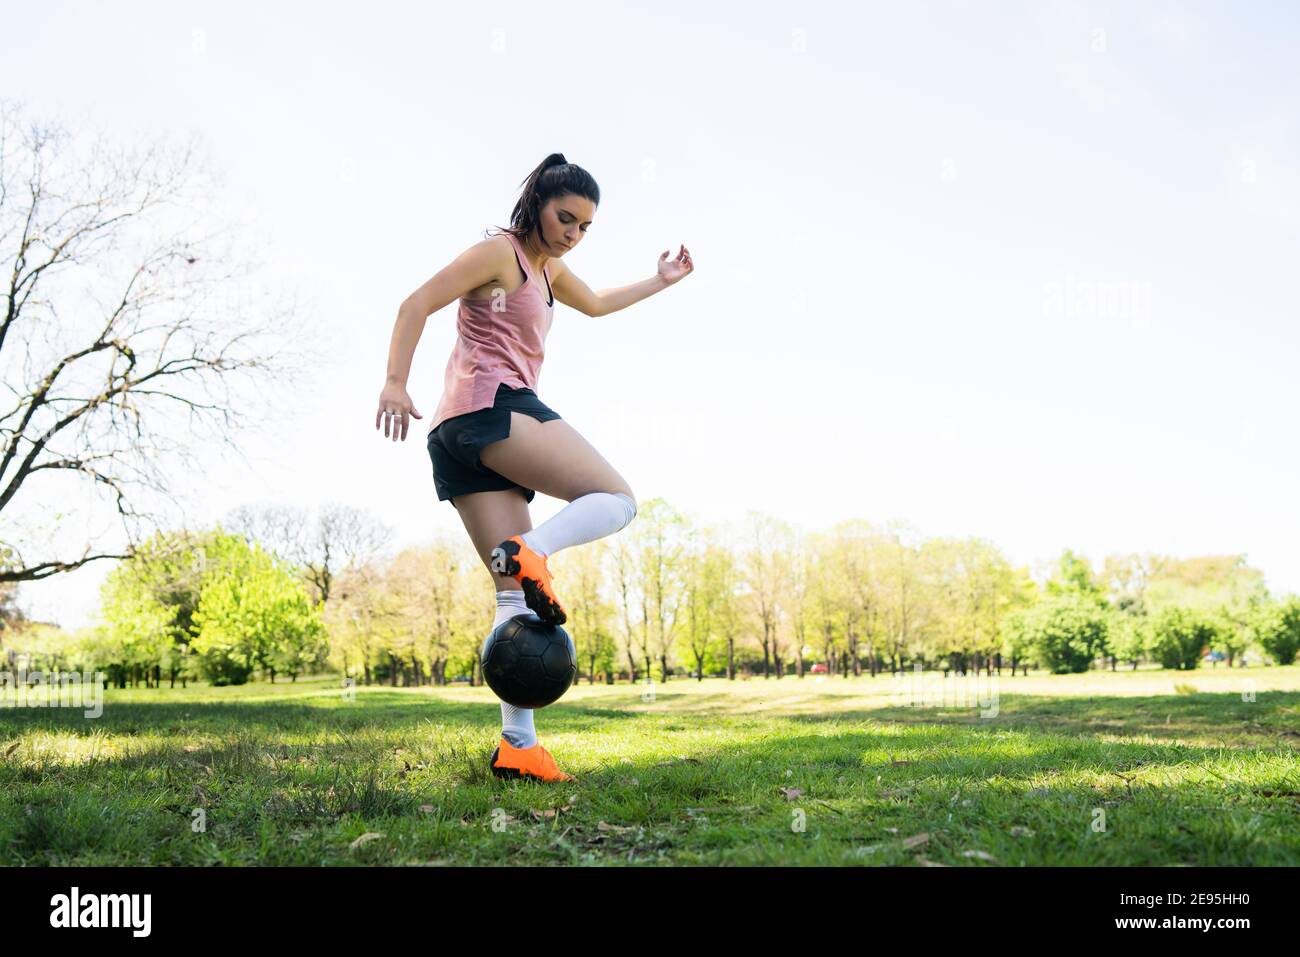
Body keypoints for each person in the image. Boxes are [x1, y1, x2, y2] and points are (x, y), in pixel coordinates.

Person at [375, 153, 693, 782]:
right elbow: (416, 303)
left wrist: (661, 281)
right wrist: (393, 382)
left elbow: (598, 305)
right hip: (492, 407)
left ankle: (517, 746)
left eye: (584, 226)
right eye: (564, 217)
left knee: (512, 598)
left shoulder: (550, 273)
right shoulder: (501, 252)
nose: (572, 232)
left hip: (456, 434)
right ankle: (533, 550)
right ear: (538, 204)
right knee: (618, 499)